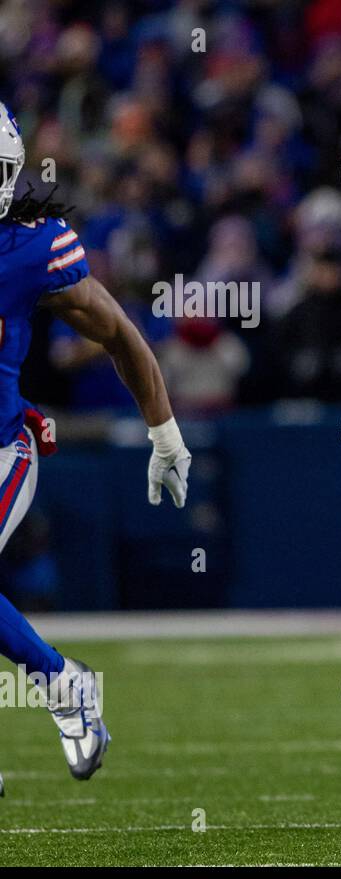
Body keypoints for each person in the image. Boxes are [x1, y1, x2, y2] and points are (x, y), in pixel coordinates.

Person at [0, 103, 192, 782]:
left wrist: (163, 429)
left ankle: (64, 687)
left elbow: (116, 331)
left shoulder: (27, 249)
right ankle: (65, 685)